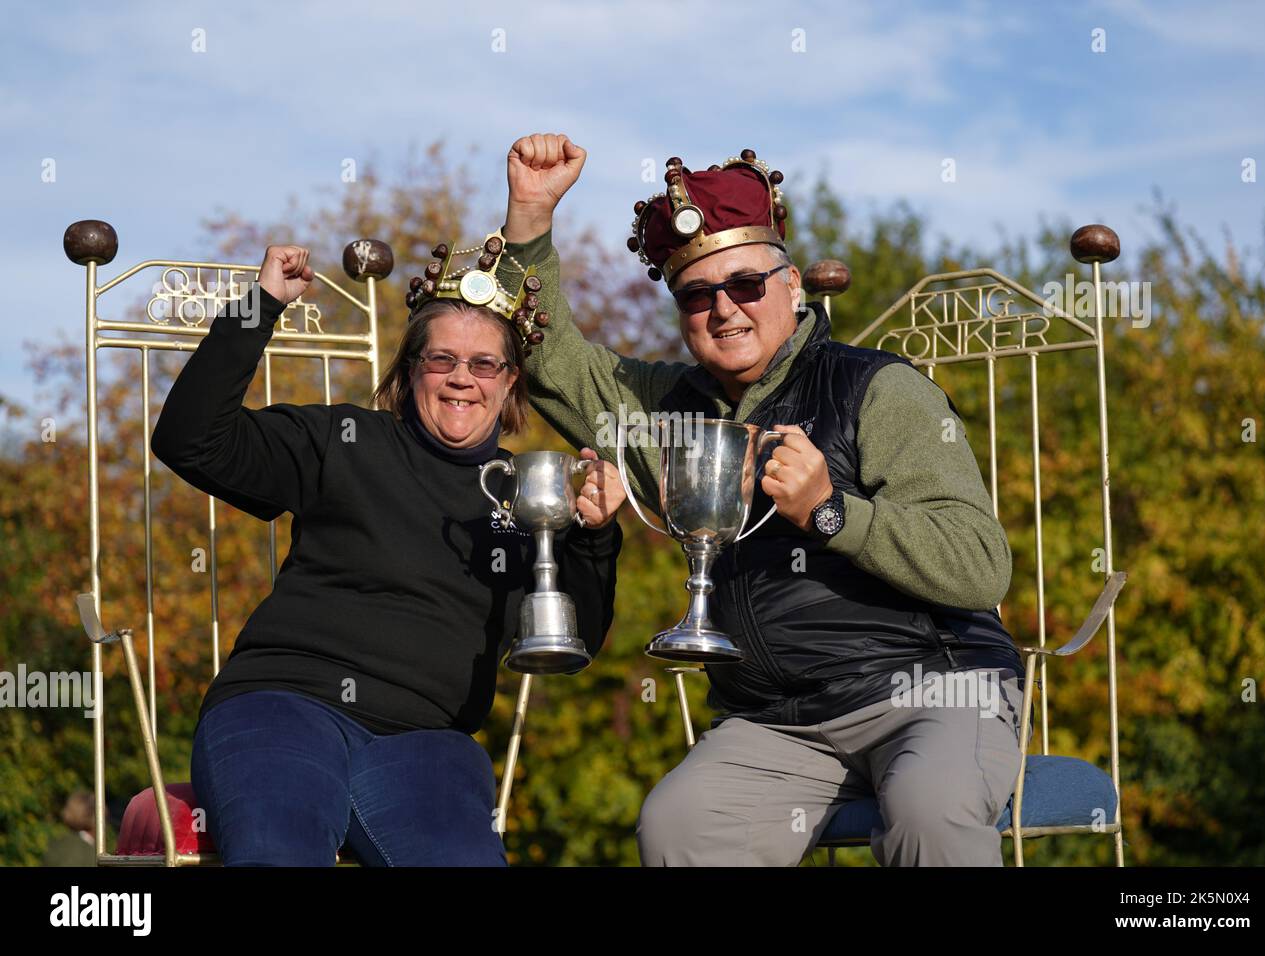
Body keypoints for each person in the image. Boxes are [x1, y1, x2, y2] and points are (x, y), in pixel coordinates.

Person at [492, 132, 1029, 866]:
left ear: (792, 284)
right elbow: (548, 358)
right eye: (697, 295)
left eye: (745, 284)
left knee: (930, 816)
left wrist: (831, 512)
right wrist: (529, 216)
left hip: (935, 690)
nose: (724, 309)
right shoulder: (660, 411)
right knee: (679, 823)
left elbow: (980, 566)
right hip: (776, 722)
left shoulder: (877, 388)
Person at [150, 237, 626, 866]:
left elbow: (580, 641)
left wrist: (594, 535)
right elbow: (190, 440)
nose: (462, 378)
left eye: (485, 365)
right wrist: (260, 305)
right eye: (442, 359)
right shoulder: (343, 440)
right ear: (409, 371)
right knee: (277, 853)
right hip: (284, 706)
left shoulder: (532, 494)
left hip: (428, 743)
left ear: (511, 383)